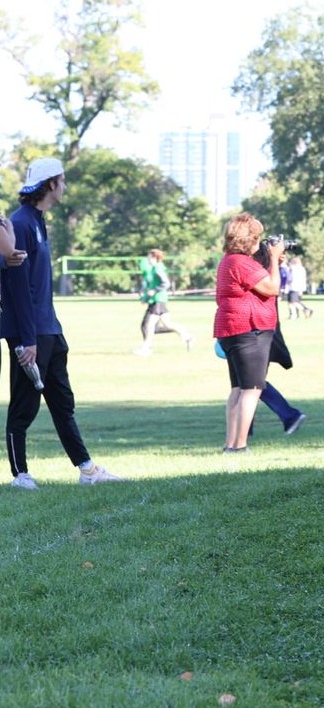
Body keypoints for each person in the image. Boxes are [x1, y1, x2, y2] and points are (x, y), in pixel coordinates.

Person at [1, 158, 125, 487]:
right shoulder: (21, 223)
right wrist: (27, 340)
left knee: (62, 403)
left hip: (50, 330)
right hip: (30, 333)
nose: (66, 186)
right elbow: (18, 288)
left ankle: (87, 470)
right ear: (51, 184)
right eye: (63, 180)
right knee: (23, 406)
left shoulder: (38, 221)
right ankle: (20, 475)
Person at [215, 214, 285, 453]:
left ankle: (230, 444)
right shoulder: (241, 263)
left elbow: (261, 281)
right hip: (250, 329)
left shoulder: (230, 260)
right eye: (258, 237)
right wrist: (274, 258)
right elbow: (273, 288)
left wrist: (273, 261)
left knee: (238, 389)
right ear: (250, 239)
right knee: (252, 389)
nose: (261, 241)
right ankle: (239, 446)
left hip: (232, 329)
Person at [134, 249, 194, 354]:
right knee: (167, 324)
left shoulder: (157, 268)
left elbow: (166, 283)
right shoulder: (153, 268)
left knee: (149, 325)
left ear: (155, 258)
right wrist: (146, 298)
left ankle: (146, 348)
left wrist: (154, 291)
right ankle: (188, 337)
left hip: (158, 300)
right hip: (158, 300)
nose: (148, 259)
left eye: (149, 257)